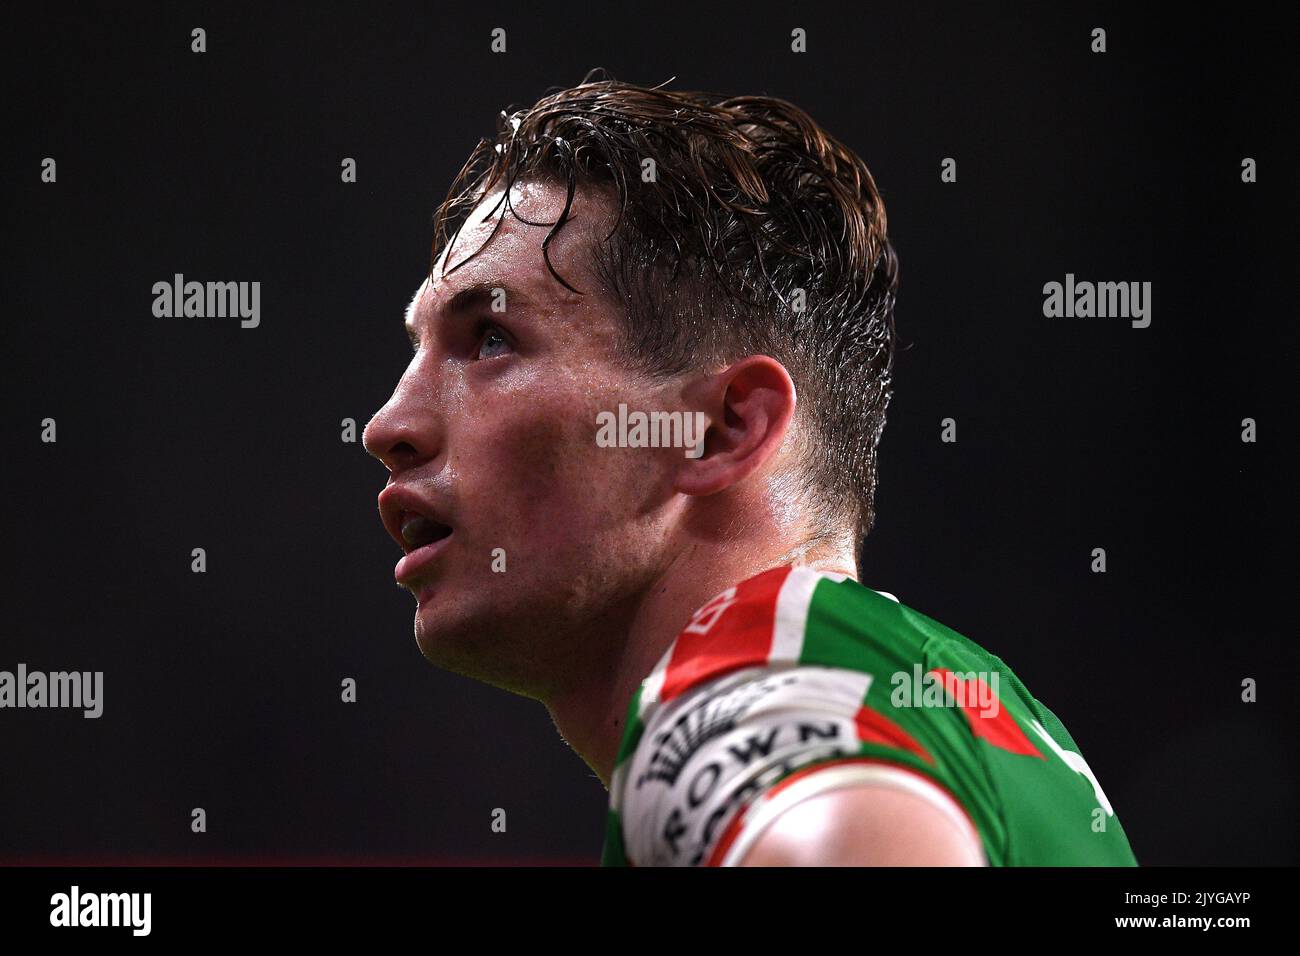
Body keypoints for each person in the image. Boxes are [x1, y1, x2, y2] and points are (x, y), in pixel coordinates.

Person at [362, 72, 1137, 866]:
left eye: (491, 339)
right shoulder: (976, 707)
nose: (389, 425)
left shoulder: (740, 692)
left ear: (722, 429)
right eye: (416, 350)